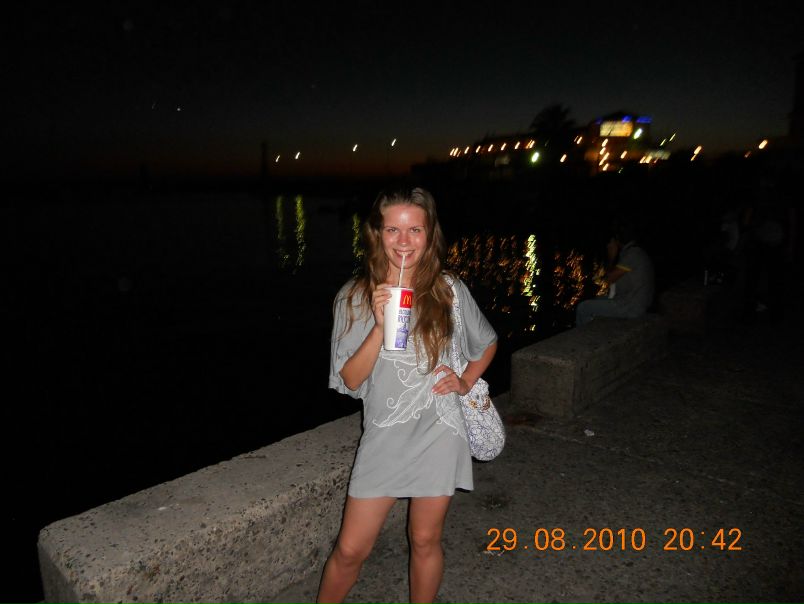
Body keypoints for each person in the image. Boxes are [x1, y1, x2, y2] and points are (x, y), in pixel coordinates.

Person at [317, 187, 497, 604]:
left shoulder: (448, 289)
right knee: (350, 550)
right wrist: (380, 327)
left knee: (425, 539)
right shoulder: (354, 297)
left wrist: (465, 381)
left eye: (415, 229)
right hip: (385, 435)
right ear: (376, 233)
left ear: (429, 234)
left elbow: (486, 342)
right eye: (392, 229)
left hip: (440, 430)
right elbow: (351, 380)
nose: (403, 241)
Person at [575, 218, 654, 326]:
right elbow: (615, 284)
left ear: (618, 239)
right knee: (595, 300)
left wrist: (611, 256)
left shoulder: (633, 255)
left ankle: (586, 335)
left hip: (632, 307)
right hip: (634, 302)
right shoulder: (635, 252)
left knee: (583, 308)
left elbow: (609, 279)